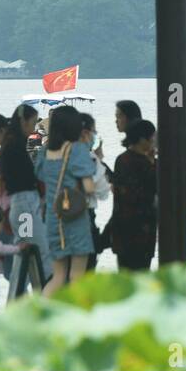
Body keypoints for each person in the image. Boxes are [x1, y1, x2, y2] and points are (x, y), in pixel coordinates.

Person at [34, 105, 97, 295]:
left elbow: (41, 176)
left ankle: (43, 315)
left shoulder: (44, 152)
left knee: (58, 276)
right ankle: (75, 319)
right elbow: (89, 187)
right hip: (75, 218)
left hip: (54, 218)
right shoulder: (76, 149)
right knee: (77, 276)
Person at [0, 103, 48, 294]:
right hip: (25, 206)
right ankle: (44, 293)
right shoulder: (17, 146)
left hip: (23, 205)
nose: (33, 128)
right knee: (36, 250)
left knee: (26, 250)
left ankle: (23, 297)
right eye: (32, 123)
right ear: (23, 121)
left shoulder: (11, 145)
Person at [108, 118, 158, 271]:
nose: (155, 140)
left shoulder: (122, 160)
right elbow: (150, 189)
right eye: (153, 137)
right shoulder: (142, 163)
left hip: (124, 232)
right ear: (143, 139)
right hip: (140, 231)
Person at [79, 111, 112, 271]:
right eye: (94, 132)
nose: (95, 136)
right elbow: (103, 192)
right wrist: (99, 160)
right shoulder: (89, 159)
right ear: (86, 133)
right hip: (84, 220)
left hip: (56, 221)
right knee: (83, 274)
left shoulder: (54, 154)